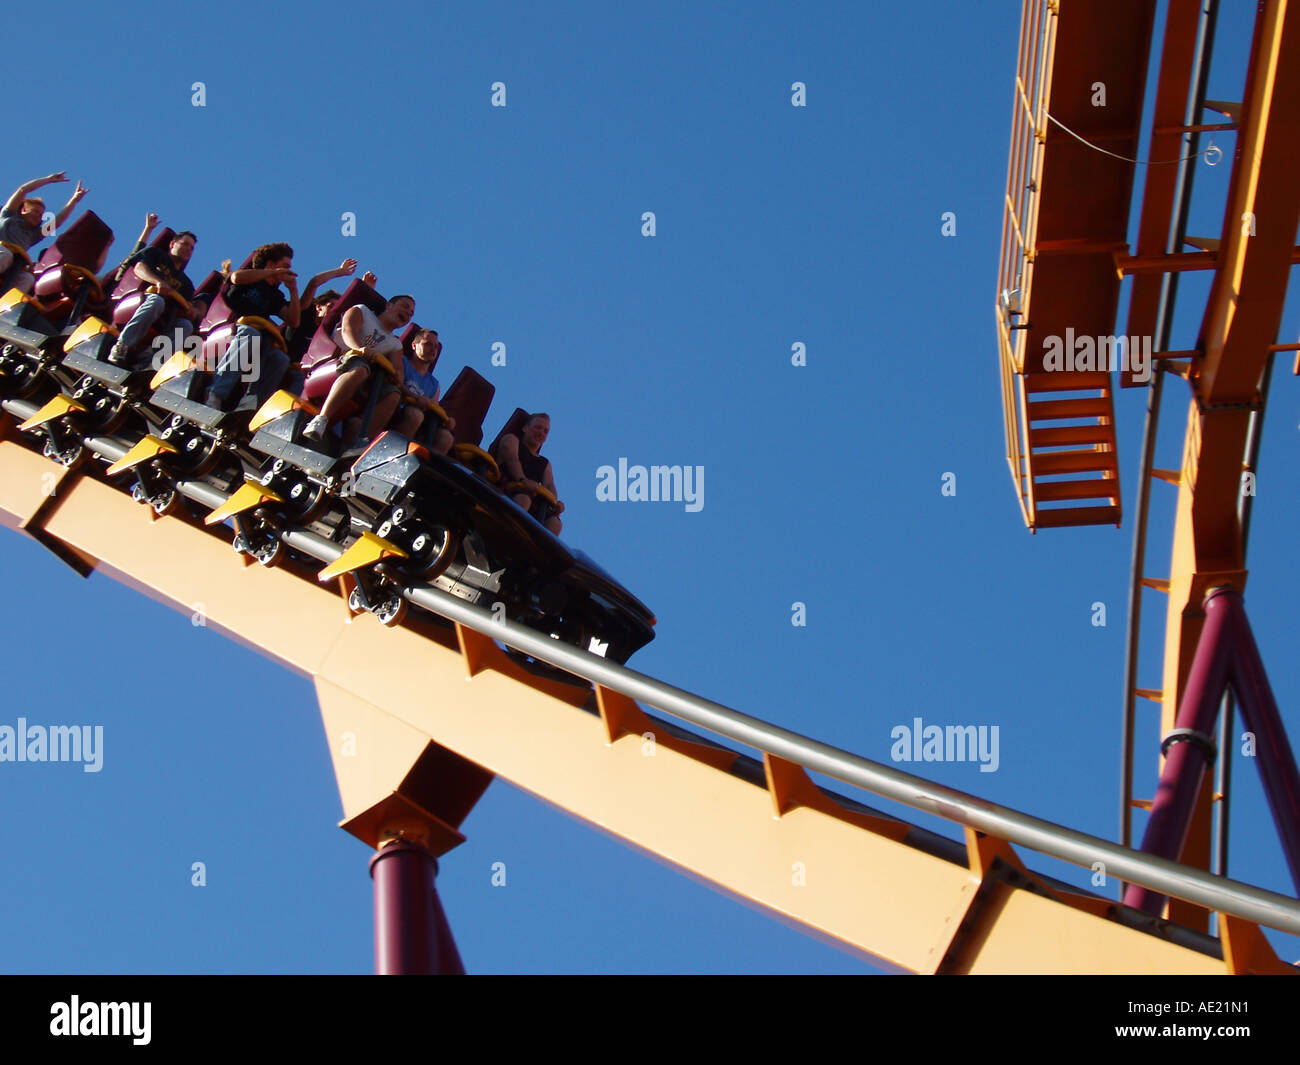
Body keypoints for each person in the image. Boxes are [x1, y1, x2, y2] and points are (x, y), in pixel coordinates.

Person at [303, 294, 415, 444]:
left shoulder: (395, 344)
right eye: (405, 307)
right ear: (389, 305)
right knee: (360, 367)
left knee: (393, 394)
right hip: (337, 361)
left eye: (411, 314)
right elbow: (348, 332)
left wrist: (396, 376)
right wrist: (360, 349)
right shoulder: (362, 311)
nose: (408, 314)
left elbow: (398, 370)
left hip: (363, 375)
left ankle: (361, 443)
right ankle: (320, 419)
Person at [204, 242, 302, 410]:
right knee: (251, 334)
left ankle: (250, 405)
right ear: (271, 264)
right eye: (284, 266)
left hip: (256, 339)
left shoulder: (275, 295)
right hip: (233, 328)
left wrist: (293, 291)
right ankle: (215, 394)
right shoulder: (248, 277)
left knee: (280, 359)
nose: (287, 270)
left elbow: (293, 321)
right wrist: (272, 273)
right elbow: (236, 278)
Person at [107, 230, 209, 368]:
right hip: (138, 300)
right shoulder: (156, 254)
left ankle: (152, 363)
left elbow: (187, 306)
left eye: (191, 248)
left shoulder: (186, 284)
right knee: (157, 301)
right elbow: (139, 268)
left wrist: (191, 311)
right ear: (172, 244)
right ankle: (122, 346)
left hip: (164, 317)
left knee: (186, 325)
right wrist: (158, 282)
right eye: (185, 244)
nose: (188, 249)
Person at [0, 172, 88, 293]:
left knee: (27, 278)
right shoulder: (9, 215)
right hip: (2, 251)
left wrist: (74, 200)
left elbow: (57, 222)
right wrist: (48, 180)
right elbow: (23, 190)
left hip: (11, 265)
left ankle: (6, 306)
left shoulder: (33, 235)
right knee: (6, 255)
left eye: (41, 215)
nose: (39, 216)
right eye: (35, 211)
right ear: (24, 210)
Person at [494, 412, 564, 535]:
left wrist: (555, 503)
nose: (541, 433)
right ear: (525, 428)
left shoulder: (544, 463)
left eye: (545, 431)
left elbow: (549, 485)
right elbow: (512, 459)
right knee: (524, 499)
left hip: (532, 504)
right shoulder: (511, 440)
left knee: (555, 523)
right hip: (504, 490)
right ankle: (504, 534)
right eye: (538, 427)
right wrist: (522, 480)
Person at [393, 328, 455, 455]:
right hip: (396, 408)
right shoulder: (402, 361)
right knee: (415, 415)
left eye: (436, 347)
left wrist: (447, 421)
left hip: (419, 423)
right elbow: (395, 383)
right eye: (428, 344)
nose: (433, 349)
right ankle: (394, 454)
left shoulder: (434, 384)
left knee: (446, 437)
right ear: (414, 346)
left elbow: (433, 408)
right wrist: (416, 398)